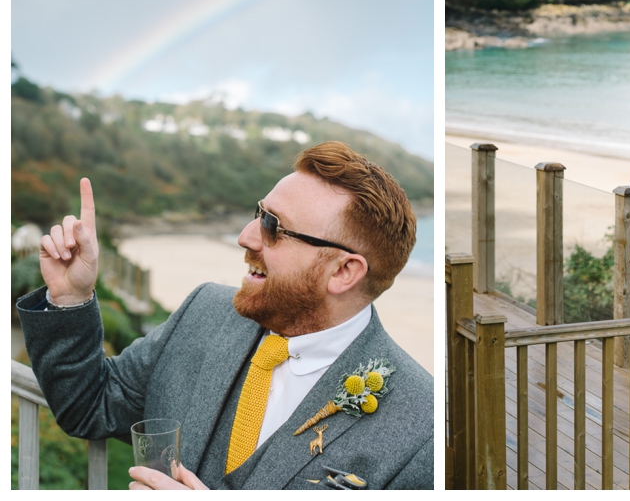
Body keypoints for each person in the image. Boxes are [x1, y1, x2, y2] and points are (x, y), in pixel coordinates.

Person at [17, 141, 433, 490]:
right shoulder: (204, 312)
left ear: (344, 272)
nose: (245, 237)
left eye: (274, 227)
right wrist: (71, 297)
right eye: (259, 213)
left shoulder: (421, 427)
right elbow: (92, 406)